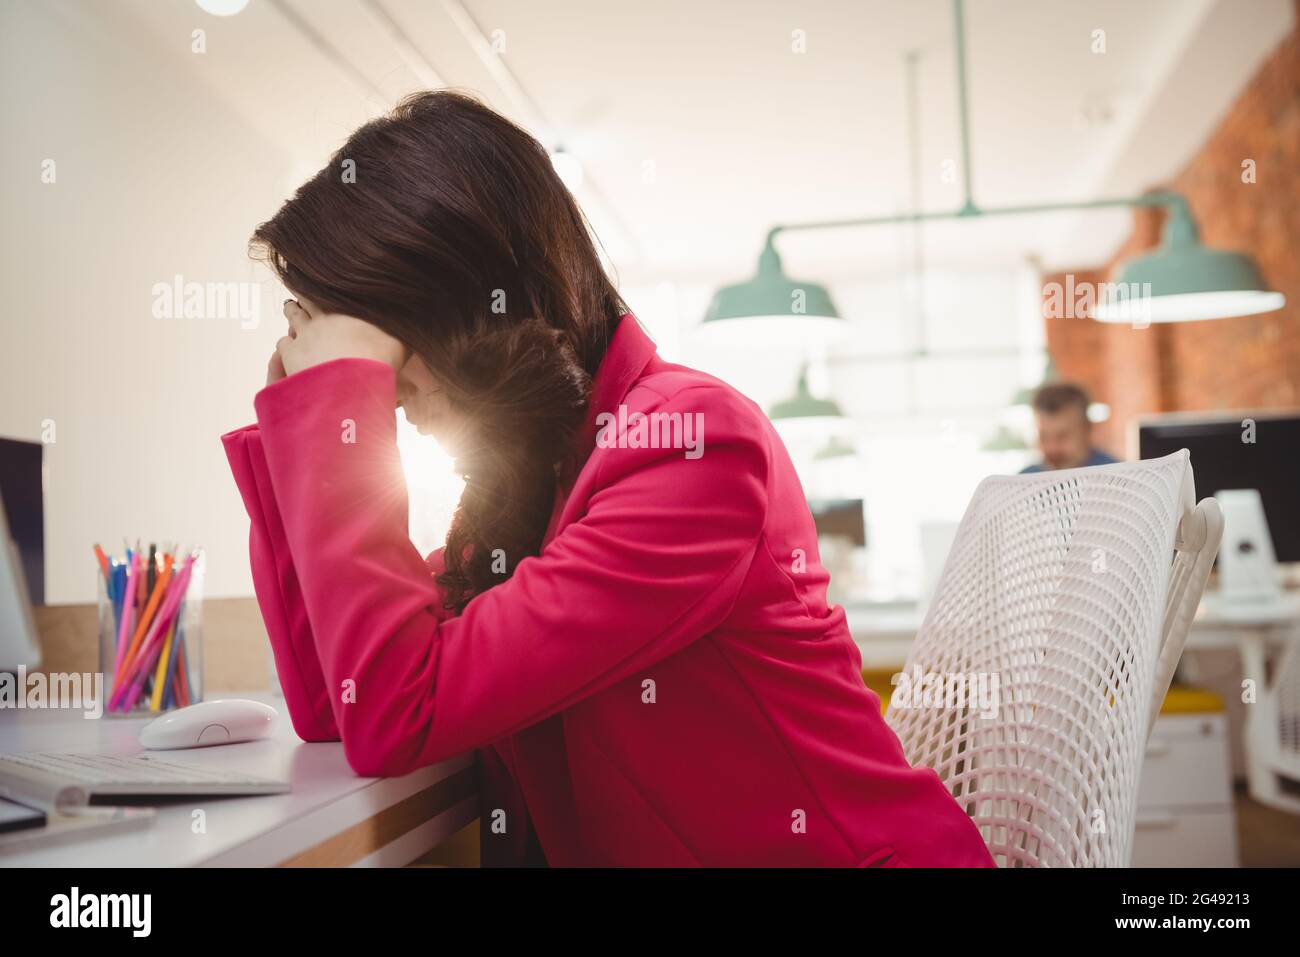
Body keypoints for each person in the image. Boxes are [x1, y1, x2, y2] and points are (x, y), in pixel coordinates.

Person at [221, 91, 993, 867]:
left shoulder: (689, 444)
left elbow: (400, 715)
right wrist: (303, 422)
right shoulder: (522, 489)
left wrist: (335, 410)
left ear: (462, 309)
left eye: (374, 345)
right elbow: (340, 705)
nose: (382, 390)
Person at [1021, 381, 1118, 473]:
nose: (1052, 448)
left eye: (1062, 436)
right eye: (1043, 437)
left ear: (1087, 430)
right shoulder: (1023, 481)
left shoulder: (1119, 479)